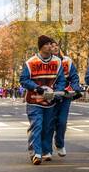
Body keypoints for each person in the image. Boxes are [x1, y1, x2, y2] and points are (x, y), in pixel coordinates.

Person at [20, 35, 65, 165]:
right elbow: (23, 80)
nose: (52, 47)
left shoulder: (57, 62)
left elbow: (61, 79)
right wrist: (36, 88)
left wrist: (58, 92)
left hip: (50, 101)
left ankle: (46, 151)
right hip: (34, 101)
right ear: (42, 46)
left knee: (47, 127)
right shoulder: (31, 62)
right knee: (37, 125)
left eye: (52, 44)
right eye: (49, 44)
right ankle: (36, 153)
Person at [50, 44, 84, 158]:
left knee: (62, 122)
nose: (55, 47)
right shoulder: (46, 62)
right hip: (51, 95)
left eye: (56, 46)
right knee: (49, 122)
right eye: (52, 46)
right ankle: (46, 148)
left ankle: (59, 144)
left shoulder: (67, 61)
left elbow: (74, 77)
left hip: (65, 95)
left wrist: (76, 88)